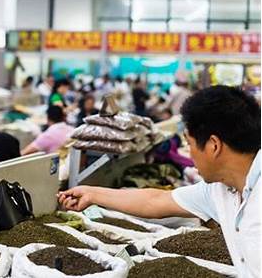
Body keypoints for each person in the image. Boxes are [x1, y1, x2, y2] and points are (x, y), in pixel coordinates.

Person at [58, 86, 260, 278]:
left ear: (213, 145)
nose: (189, 153)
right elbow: (155, 200)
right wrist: (92, 194)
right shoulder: (220, 189)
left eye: (189, 144)